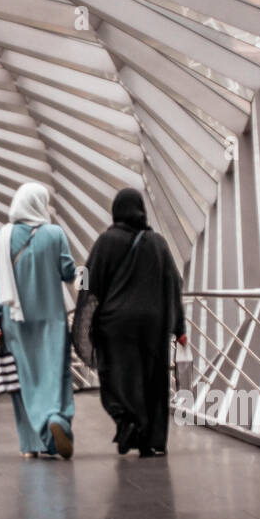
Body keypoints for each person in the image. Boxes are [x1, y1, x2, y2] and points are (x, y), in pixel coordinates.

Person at [76, 188, 186, 458]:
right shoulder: (157, 242)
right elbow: (174, 282)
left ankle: (127, 421)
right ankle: (152, 439)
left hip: (116, 324)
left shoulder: (106, 242)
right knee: (153, 378)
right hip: (153, 323)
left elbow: (89, 279)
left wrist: (85, 305)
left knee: (117, 375)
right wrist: (179, 327)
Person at [0, 182, 77, 458]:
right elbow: (69, 272)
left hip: (16, 323)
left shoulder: (3, 236)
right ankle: (56, 419)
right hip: (52, 320)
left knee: (23, 377)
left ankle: (32, 444)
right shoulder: (54, 234)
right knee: (55, 375)